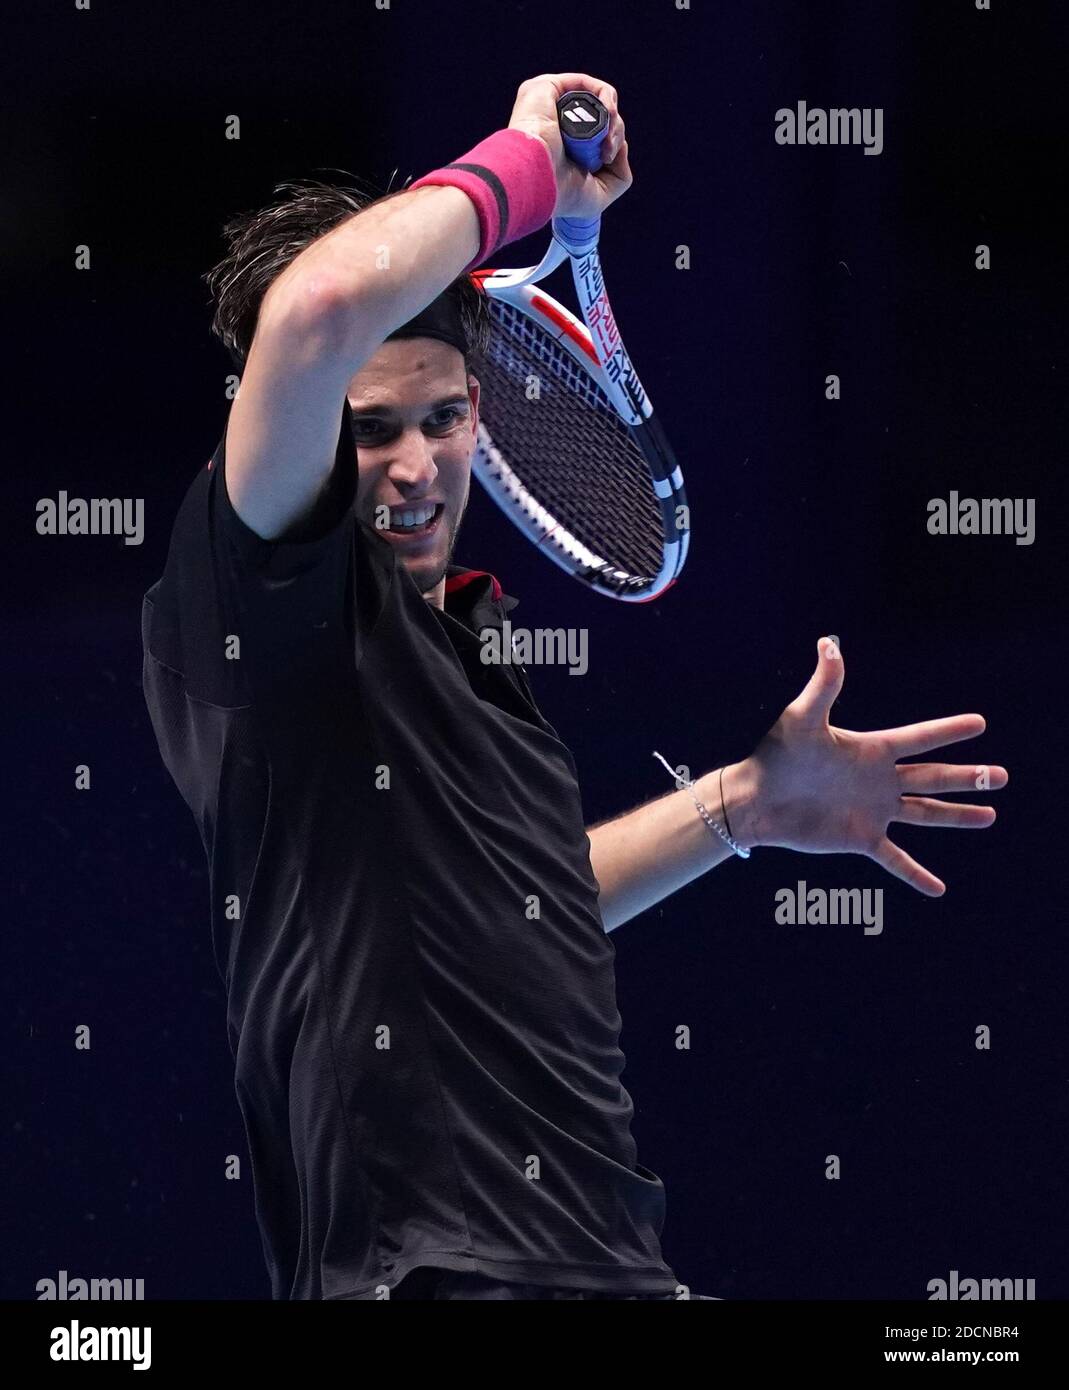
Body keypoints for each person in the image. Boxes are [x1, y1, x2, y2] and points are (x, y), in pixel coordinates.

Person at [141, 72, 1006, 1301]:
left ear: (479, 414)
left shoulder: (467, 657)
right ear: (282, 423)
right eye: (368, 426)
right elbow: (321, 304)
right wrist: (527, 161)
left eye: (442, 420)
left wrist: (742, 807)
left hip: (599, 1266)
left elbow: (521, 910)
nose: (414, 465)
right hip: (430, 1275)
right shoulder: (256, 598)